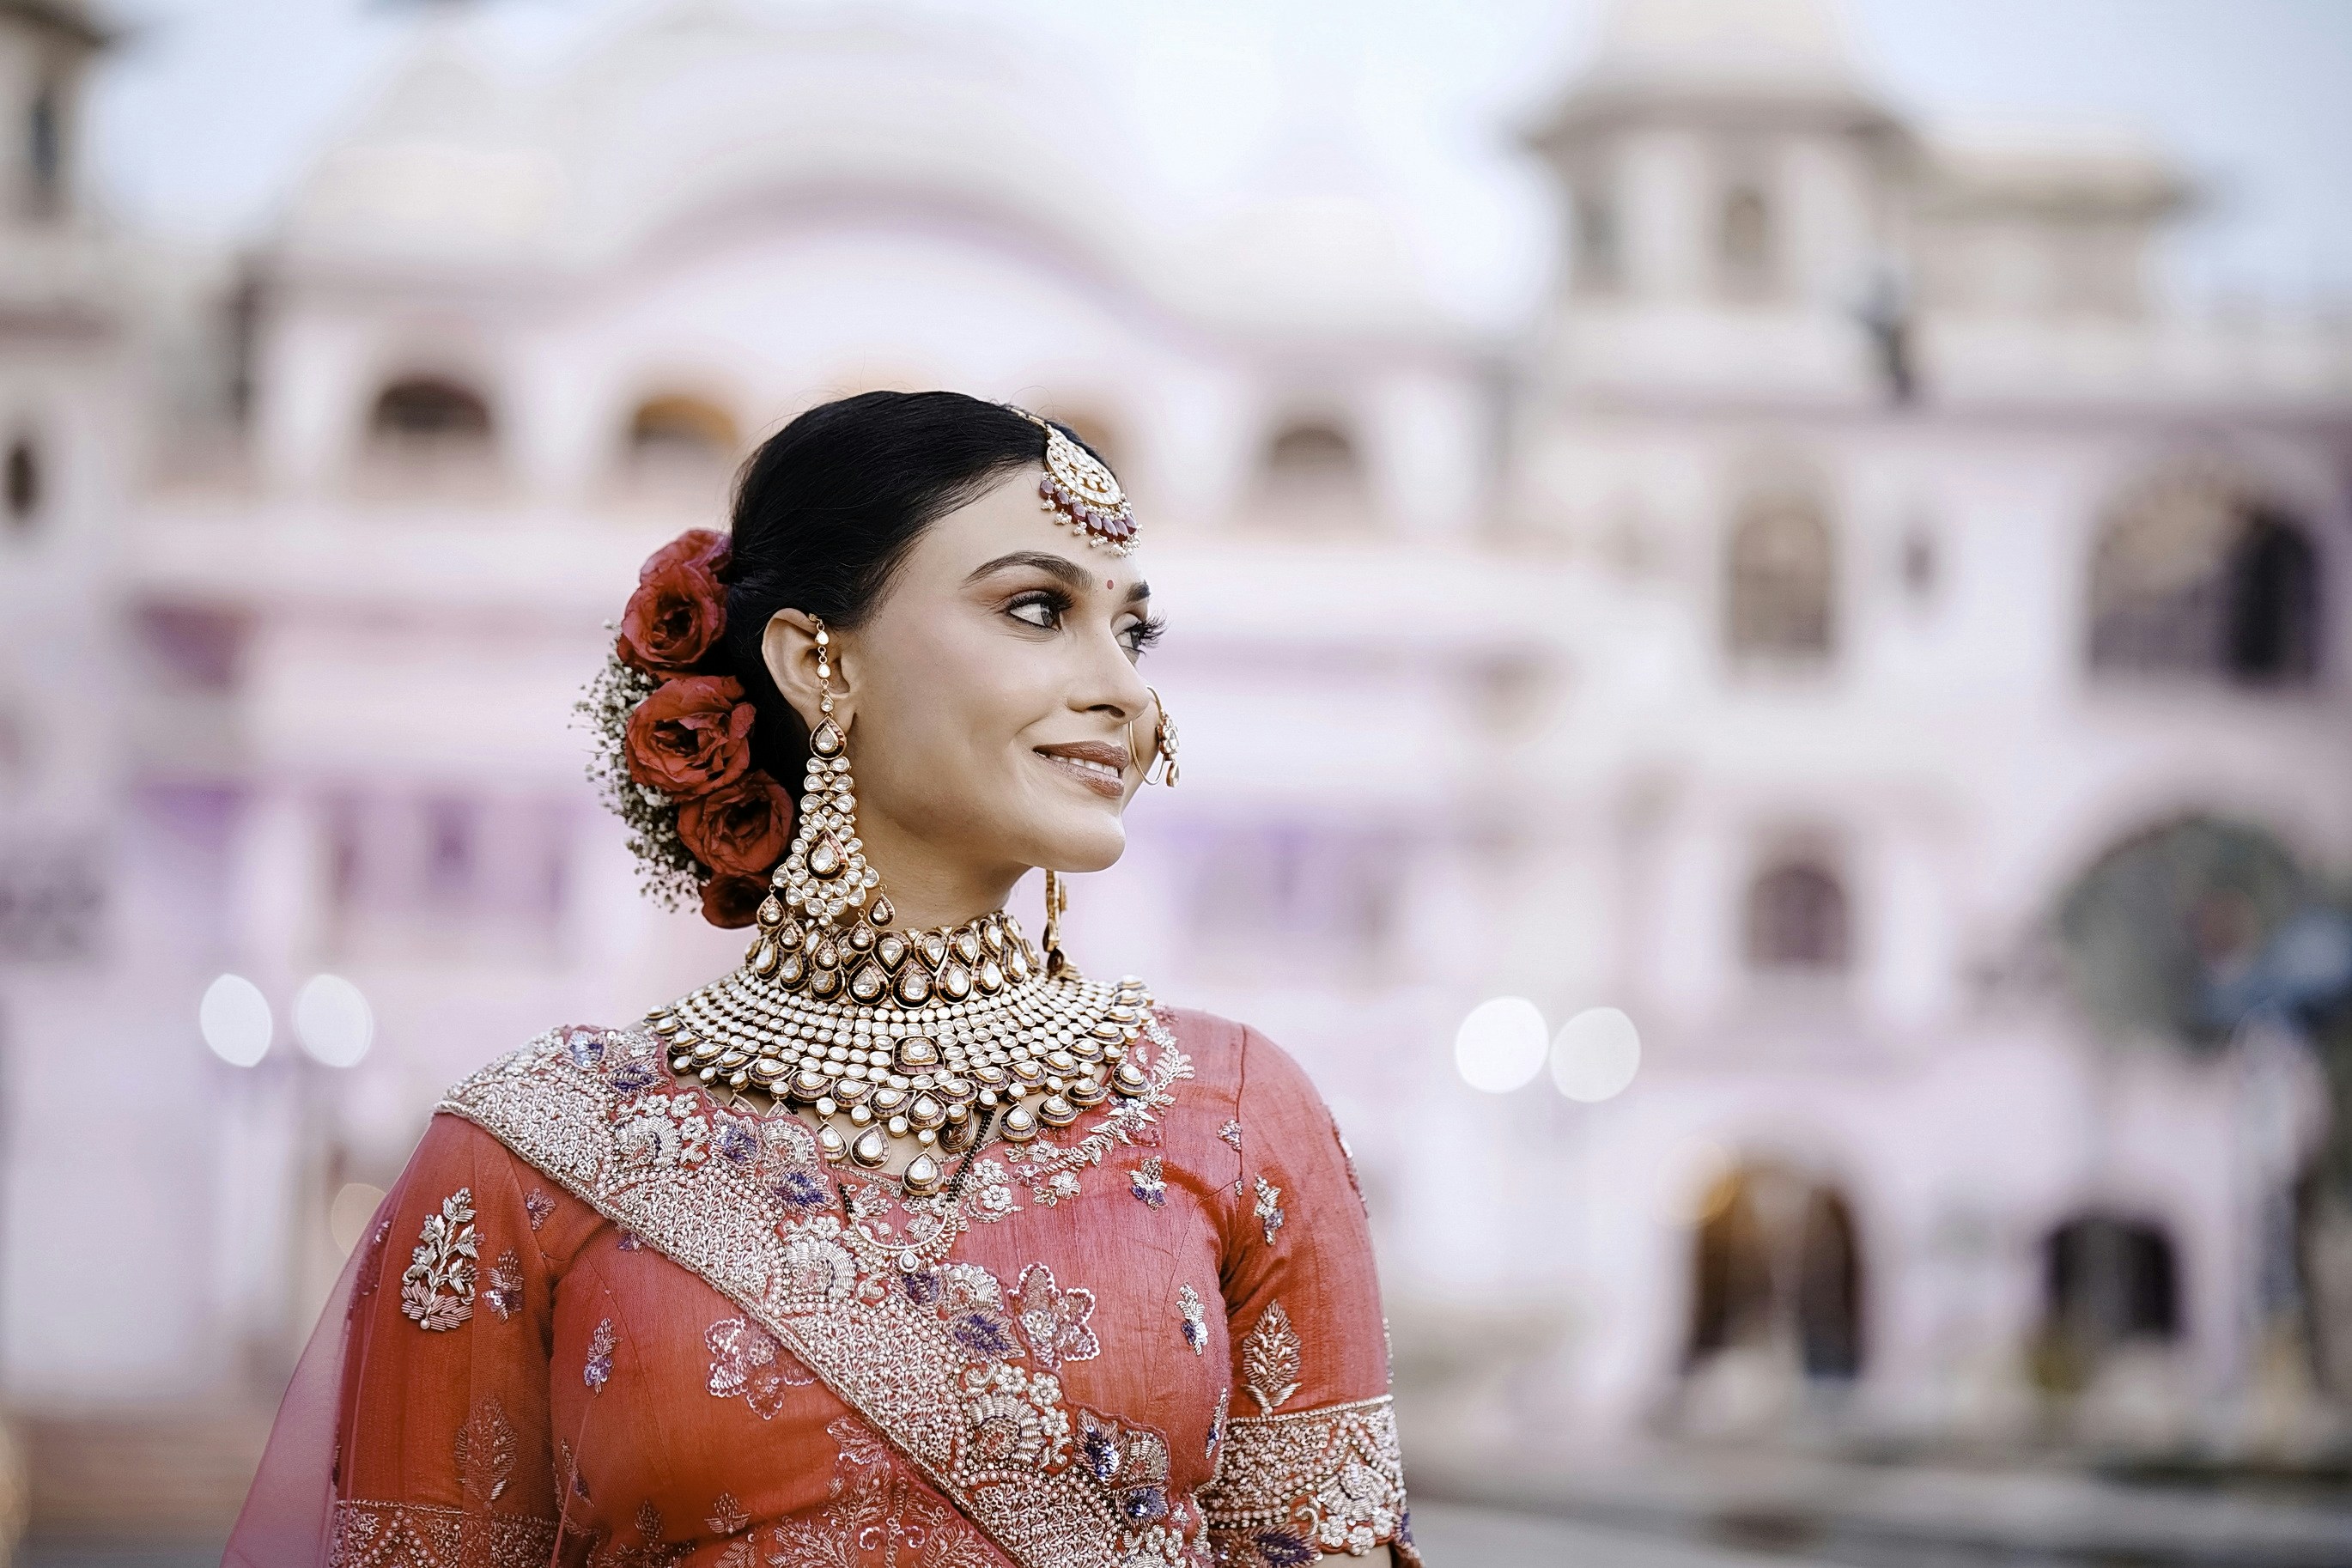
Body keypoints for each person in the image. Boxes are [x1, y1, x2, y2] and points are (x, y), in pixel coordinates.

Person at [227, 391, 1416, 1568]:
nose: (1125, 690)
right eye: (1040, 607)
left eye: (1133, 631)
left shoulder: (1237, 1117)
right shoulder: (534, 1155)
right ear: (815, 658)